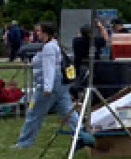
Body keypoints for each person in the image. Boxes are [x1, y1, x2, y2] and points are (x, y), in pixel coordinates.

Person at [14, 22, 91, 150]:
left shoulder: (48, 48)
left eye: (39, 31)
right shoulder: (54, 45)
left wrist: (47, 87)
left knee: (34, 113)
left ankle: (24, 142)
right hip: (60, 83)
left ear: (45, 33)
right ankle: (82, 134)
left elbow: (49, 68)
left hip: (49, 83)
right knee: (67, 110)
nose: (37, 33)